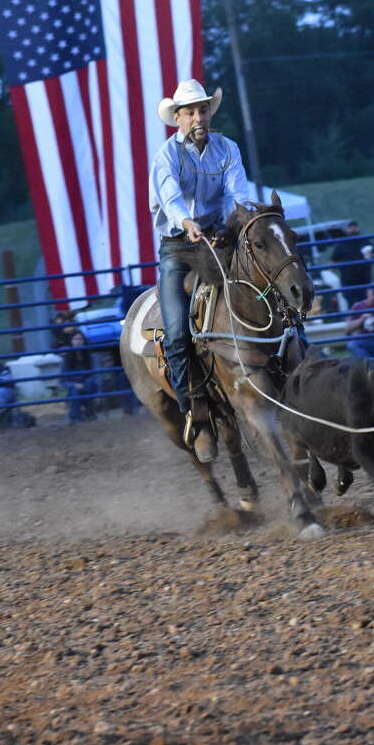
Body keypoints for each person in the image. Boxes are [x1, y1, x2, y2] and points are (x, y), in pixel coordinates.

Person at [148, 79, 250, 461]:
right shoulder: (167, 155)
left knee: (258, 288)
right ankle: (197, 413)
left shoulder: (227, 149)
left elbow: (235, 191)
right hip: (178, 245)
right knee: (176, 331)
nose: (198, 117)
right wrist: (187, 222)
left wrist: (235, 221)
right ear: (178, 118)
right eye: (190, 111)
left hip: (217, 238)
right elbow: (169, 194)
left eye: (202, 110)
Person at [60, 330, 103, 423]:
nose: (78, 341)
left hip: (90, 386)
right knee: (75, 391)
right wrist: (74, 385)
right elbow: (62, 381)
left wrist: (99, 393)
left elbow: (97, 375)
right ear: (71, 342)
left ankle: (89, 414)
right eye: (76, 339)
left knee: (89, 383)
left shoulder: (91, 357)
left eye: (81, 339)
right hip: (74, 388)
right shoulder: (67, 359)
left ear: (84, 341)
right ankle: (76, 418)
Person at [331, 221, 372, 308]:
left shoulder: (365, 241)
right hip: (348, 280)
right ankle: (354, 320)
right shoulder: (341, 244)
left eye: (354, 227)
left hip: (363, 279)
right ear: (346, 229)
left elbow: (373, 254)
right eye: (350, 227)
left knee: (364, 303)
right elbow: (333, 261)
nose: (353, 229)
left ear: (358, 228)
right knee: (351, 304)